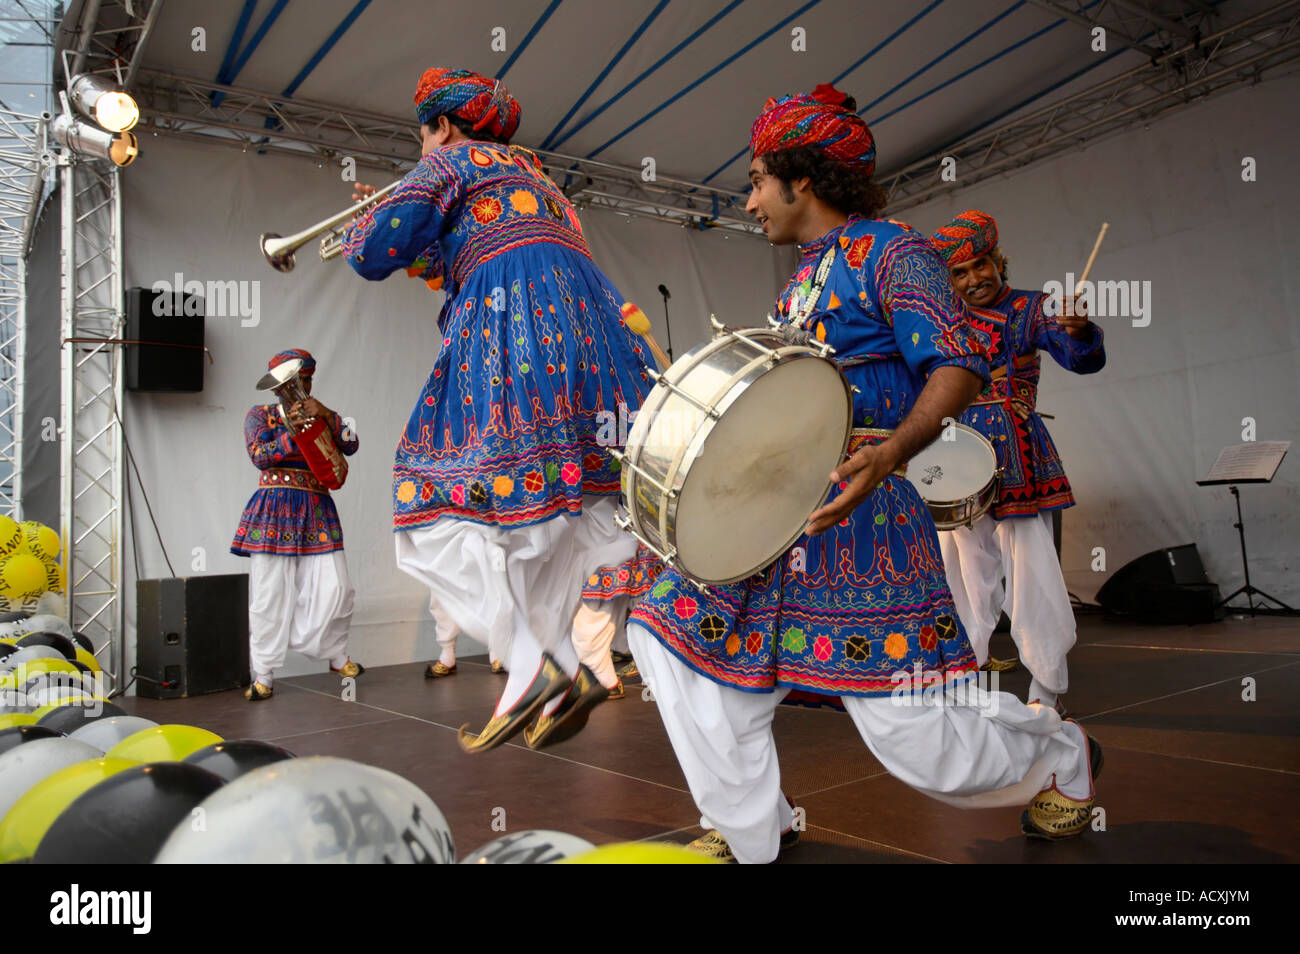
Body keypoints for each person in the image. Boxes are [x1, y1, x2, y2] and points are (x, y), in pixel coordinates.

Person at [626, 84, 1102, 863]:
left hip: (866, 520)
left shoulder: (894, 251)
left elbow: (957, 366)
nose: (748, 203)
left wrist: (887, 455)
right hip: (784, 524)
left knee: (916, 740)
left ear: (801, 179)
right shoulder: (799, 281)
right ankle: (754, 824)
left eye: (754, 181)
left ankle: (1061, 755)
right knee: (670, 640)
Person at [342, 68, 652, 751]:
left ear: (443, 127)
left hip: (511, 340)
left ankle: (542, 662)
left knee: (431, 500)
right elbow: (461, 256)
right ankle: (559, 671)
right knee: (543, 524)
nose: (425, 149)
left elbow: (372, 255)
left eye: (424, 136)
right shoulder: (540, 181)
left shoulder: (449, 161)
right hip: (591, 348)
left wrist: (367, 222)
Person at [929, 211, 1106, 712]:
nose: (973, 280)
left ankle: (1046, 688)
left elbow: (1081, 359)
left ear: (997, 261)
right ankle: (964, 676)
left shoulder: (1034, 309)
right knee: (958, 571)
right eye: (959, 273)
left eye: (980, 266)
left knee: (1032, 570)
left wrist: (1079, 329)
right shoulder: (944, 320)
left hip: (1017, 452)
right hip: (954, 454)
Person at [231, 349, 364, 700]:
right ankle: (264, 675)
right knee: (268, 594)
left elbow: (351, 444)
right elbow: (260, 456)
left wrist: (327, 416)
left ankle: (334, 654)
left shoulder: (320, 414)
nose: (296, 388)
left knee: (337, 589)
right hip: (274, 506)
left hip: (316, 505)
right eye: (290, 383)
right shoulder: (258, 415)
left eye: (303, 381)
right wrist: (295, 432)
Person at [569, 544, 663, 699]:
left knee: (590, 613)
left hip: (602, 545)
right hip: (610, 545)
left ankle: (600, 677)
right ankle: (602, 675)